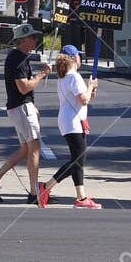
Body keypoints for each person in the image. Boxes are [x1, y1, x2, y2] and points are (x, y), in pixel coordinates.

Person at [0, 24, 48, 204]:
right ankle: (34, 193)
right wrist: (42, 74)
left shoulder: (18, 57)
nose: (36, 40)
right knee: (34, 148)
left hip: (20, 107)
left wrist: (32, 104)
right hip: (21, 108)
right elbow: (23, 87)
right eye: (33, 37)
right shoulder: (18, 59)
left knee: (25, 149)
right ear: (25, 39)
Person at [40, 45, 100, 209]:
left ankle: (81, 197)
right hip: (73, 121)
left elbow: (85, 98)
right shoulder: (74, 77)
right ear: (74, 58)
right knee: (78, 161)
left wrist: (91, 90)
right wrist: (89, 87)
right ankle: (46, 187)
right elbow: (84, 100)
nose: (80, 58)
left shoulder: (64, 76)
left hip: (70, 120)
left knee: (77, 160)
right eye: (78, 56)